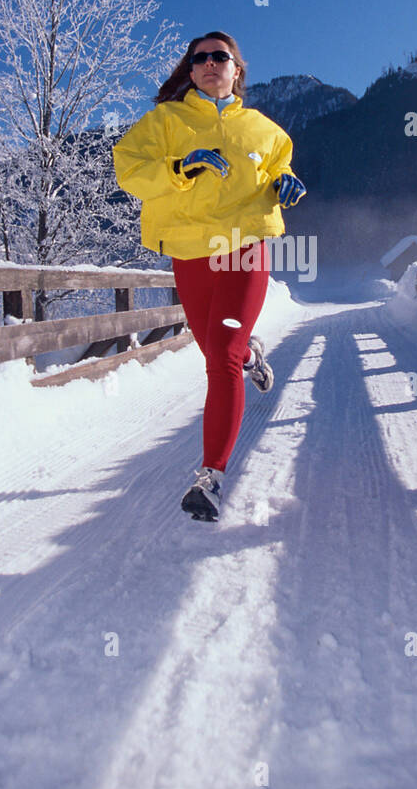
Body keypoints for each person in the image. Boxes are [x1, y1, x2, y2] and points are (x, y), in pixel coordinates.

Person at [111, 32, 306, 521]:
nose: (209, 63)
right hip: (190, 251)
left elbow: (280, 166)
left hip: (242, 249)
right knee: (218, 352)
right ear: (191, 71)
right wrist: (179, 167)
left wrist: (287, 182)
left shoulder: (265, 130)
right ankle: (249, 353)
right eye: (199, 59)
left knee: (219, 357)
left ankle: (210, 477)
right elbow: (127, 169)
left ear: (237, 69)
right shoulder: (165, 121)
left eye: (220, 56)